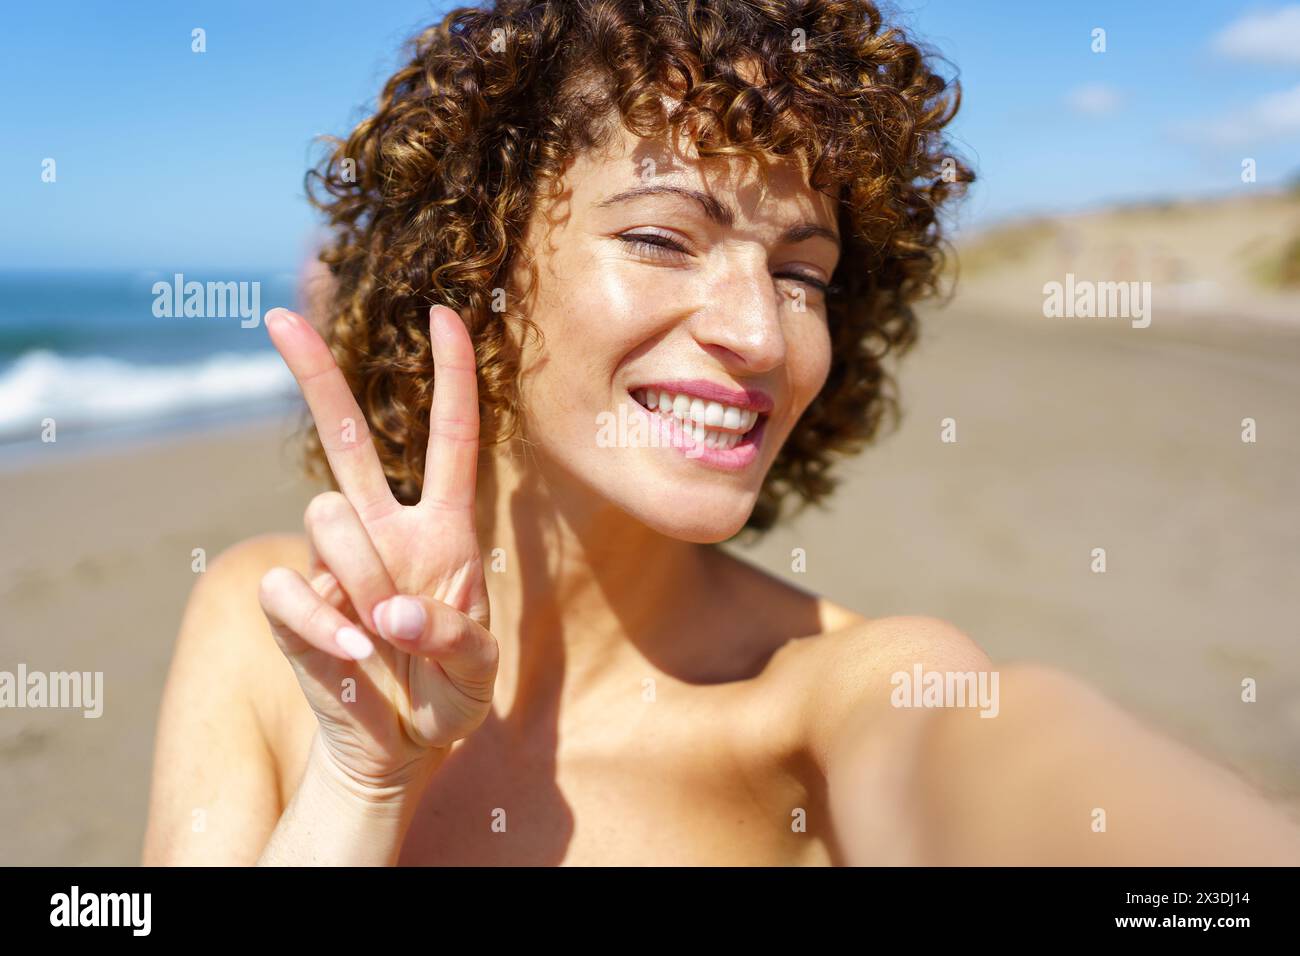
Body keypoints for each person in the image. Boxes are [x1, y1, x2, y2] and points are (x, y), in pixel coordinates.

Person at [142, 0, 1300, 865]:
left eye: (804, 271)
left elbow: (1025, 771)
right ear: (479, 258)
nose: (760, 331)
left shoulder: (833, 697)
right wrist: (359, 781)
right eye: (660, 239)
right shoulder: (276, 630)